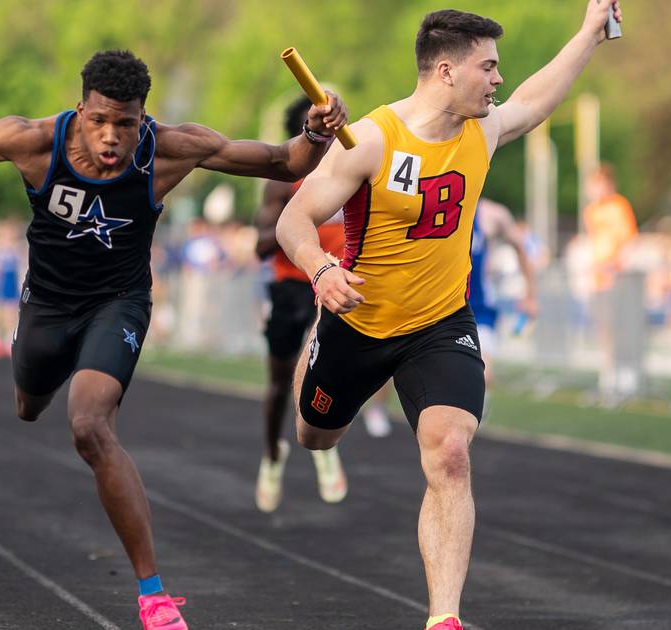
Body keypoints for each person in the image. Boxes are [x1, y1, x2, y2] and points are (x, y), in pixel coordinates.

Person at [0, 49, 346, 630]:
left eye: (126, 122)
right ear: (79, 109)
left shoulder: (171, 148)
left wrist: (314, 134)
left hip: (117, 304)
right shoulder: (33, 141)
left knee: (90, 424)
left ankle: (153, 595)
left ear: (145, 117)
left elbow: (283, 162)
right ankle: (37, 378)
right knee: (28, 405)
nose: (112, 136)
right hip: (45, 305)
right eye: (99, 120)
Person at [274, 4, 621, 629]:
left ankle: (444, 618)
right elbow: (293, 220)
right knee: (314, 435)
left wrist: (589, 31)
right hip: (358, 323)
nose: (497, 79)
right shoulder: (373, 139)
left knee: (451, 454)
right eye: (487, 67)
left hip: (441, 325)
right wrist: (321, 272)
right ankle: (315, 351)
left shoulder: (480, 131)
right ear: (446, 70)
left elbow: (537, 101)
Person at [252, 96, 359, 514]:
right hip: (292, 287)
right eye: (314, 129)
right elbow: (261, 244)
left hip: (334, 285)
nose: (325, 137)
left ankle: (325, 447)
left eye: (330, 127)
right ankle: (272, 458)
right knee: (281, 382)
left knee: (331, 372)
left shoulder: (351, 170)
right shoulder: (283, 182)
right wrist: (297, 222)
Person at [468, 197, 538, 390]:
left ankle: (476, 409)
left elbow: (522, 247)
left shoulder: (490, 214)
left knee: (482, 375)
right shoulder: (436, 206)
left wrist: (530, 295)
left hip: (480, 309)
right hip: (444, 308)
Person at [581, 161, 638, 396]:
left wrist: (615, 265)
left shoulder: (619, 207)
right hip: (599, 279)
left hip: (616, 278)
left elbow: (630, 241)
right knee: (604, 329)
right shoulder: (592, 211)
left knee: (620, 327)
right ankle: (608, 372)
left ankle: (625, 372)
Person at [0, 219, 26, 359]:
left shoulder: (18, 248)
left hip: (13, 284)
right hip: (1, 284)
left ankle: (9, 339)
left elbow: (23, 266)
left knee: (11, 314)